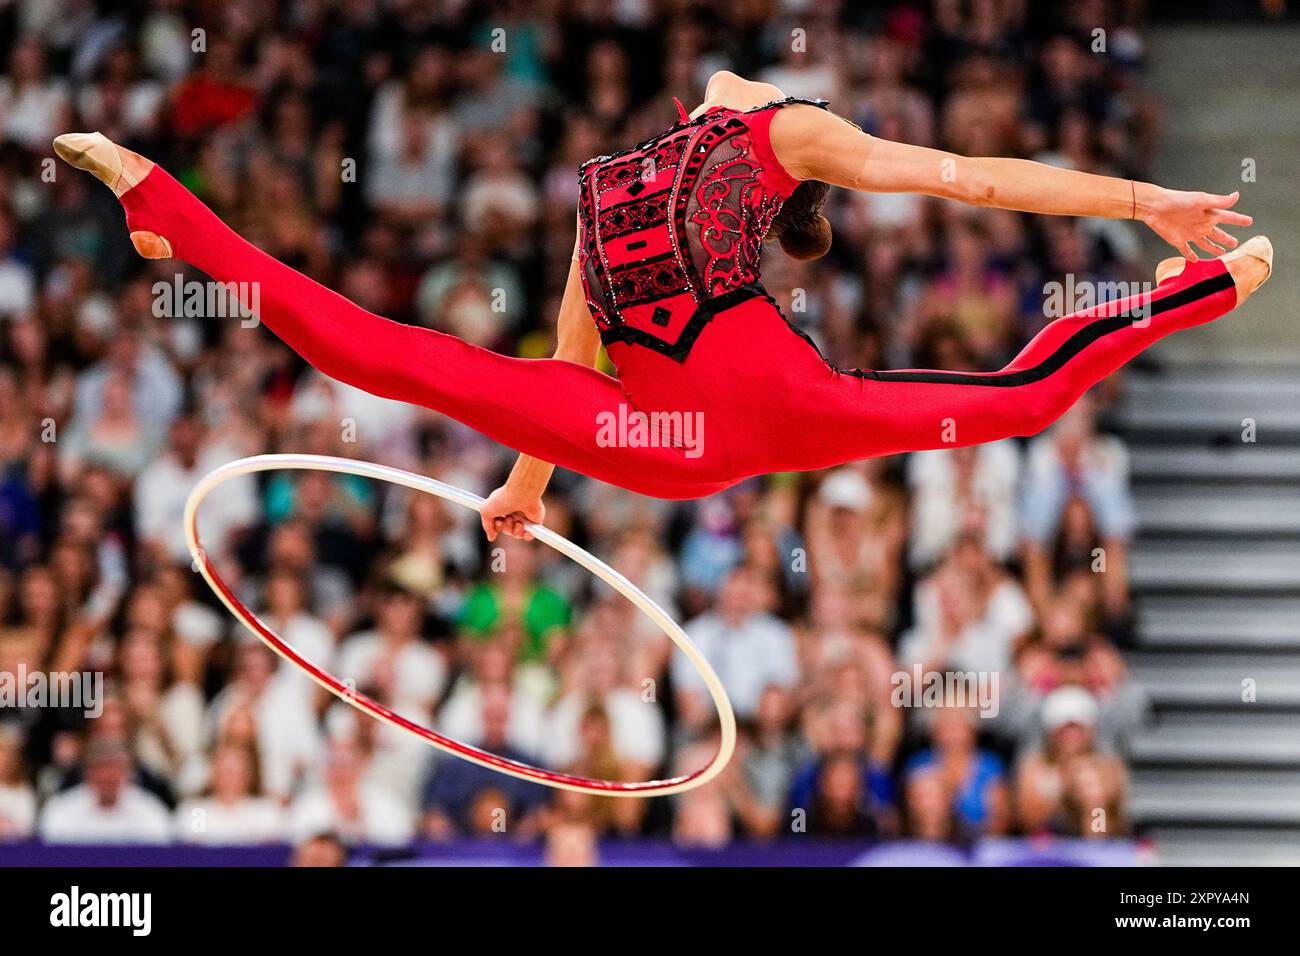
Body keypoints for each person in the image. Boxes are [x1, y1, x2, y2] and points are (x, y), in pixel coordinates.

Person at [52, 70, 1271, 537]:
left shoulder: (669, 165)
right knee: (1020, 396)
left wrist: (1135, 193)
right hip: (720, 419)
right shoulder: (715, 150)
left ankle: (172, 210)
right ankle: (1196, 286)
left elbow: (968, 179)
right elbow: (968, 178)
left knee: (380, 356)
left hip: (661, 432)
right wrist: (526, 489)